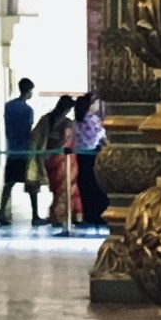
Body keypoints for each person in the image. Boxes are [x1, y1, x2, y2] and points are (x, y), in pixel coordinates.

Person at [0, 75, 42, 229]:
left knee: (9, 183)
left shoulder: (8, 106)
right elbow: (28, 129)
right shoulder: (28, 110)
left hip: (13, 149)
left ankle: (1, 211)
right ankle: (35, 215)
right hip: (25, 150)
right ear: (28, 91)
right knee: (32, 184)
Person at [71, 91, 108, 230]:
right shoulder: (92, 120)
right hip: (93, 156)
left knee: (84, 186)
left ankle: (87, 214)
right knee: (96, 186)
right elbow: (101, 138)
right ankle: (97, 215)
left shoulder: (77, 119)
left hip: (80, 156)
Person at [40, 93, 77, 228]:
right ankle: (61, 215)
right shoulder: (67, 123)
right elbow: (65, 140)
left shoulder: (47, 119)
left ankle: (56, 215)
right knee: (64, 189)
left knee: (57, 190)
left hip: (49, 157)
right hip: (62, 158)